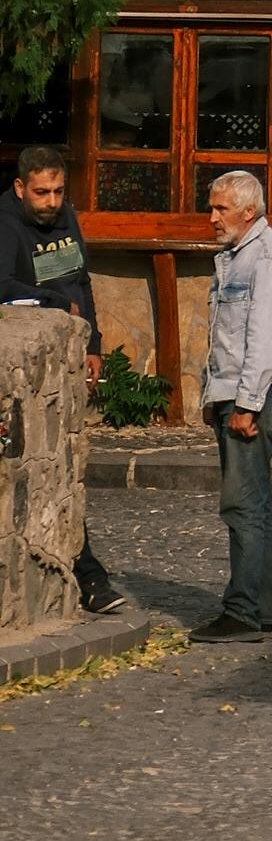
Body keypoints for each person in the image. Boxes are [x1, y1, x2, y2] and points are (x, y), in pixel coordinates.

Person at [0, 142, 120, 614]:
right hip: (27, 375)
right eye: (41, 193)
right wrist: (50, 303)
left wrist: (94, 345)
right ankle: (90, 577)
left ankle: (86, 575)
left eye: (57, 192)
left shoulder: (64, 217)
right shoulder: (5, 222)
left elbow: (79, 278)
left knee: (68, 468)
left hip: (70, 361)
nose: (50, 202)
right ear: (19, 188)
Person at [196, 169, 272, 640]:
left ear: (248, 211)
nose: (212, 217)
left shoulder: (266, 259)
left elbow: (263, 340)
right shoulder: (237, 257)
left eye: (220, 208)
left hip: (255, 400)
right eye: (212, 207)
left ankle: (242, 612)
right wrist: (213, 396)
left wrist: (245, 404)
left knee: (242, 506)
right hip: (238, 395)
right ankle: (265, 611)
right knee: (255, 505)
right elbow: (224, 337)